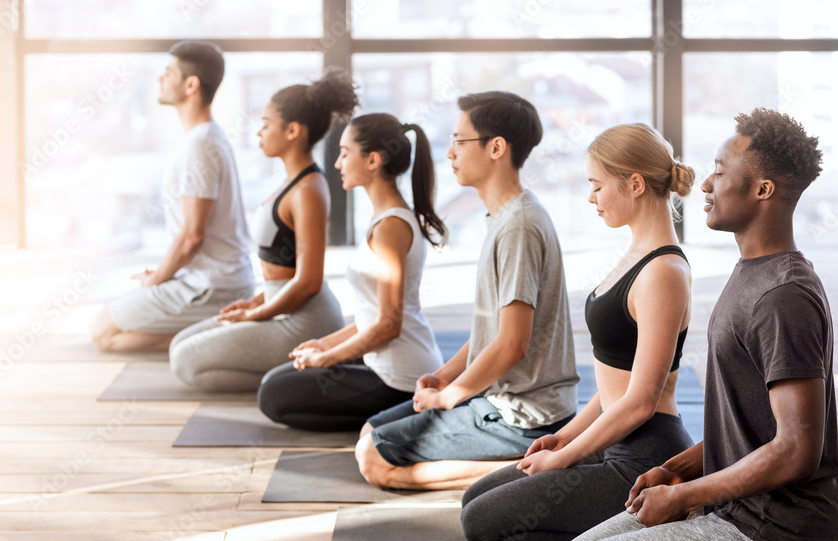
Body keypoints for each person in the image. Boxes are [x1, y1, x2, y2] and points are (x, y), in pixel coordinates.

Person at [551, 108, 838, 541]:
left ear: (762, 189)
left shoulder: (783, 297)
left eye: (719, 170)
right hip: (732, 508)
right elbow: (750, 425)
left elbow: (797, 447)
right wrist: (679, 470)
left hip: (779, 531)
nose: (704, 183)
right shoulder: (751, 273)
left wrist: (684, 498)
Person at [459, 123, 696, 541]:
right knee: (473, 500)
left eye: (597, 186)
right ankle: (615, 529)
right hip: (608, 437)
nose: (591, 198)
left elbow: (641, 400)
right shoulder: (634, 253)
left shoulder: (664, 273)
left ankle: (644, 531)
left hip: (642, 460)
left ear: (635, 184)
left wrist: (564, 460)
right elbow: (614, 386)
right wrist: (566, 437)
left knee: (482, 525)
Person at [353, 91, 579, 491]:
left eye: (460, 141)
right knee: (370, 430)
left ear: (496, 148)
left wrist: (452, 397)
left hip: (525, 416)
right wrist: (442, 378)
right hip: (496, 399)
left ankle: (531, 466)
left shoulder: (519, 226)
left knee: (373, 458)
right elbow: (492, 332)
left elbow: (512, 344)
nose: (450, 153)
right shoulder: (503, 218)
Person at [167, 72, 358, 391]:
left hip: (306, 320)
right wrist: (254, 303)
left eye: (267, 124)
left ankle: (294, 379)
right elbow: (281, 275)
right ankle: (286, 375)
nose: (260, 131)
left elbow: (308, 281)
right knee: (180, 345)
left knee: (186, 362)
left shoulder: (310, 188)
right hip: (280, 306)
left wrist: (257, 316)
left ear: (293, 130)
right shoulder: (291, 182)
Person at [256, 113, 447, 430]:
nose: (337, 164)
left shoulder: (391, 227)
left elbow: (388, 325)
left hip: (397, 376)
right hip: (385, 362)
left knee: (272, 396)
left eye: (345, 153)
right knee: (278, 378)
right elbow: (371, 318)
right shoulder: (386, 220)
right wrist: (324, 344)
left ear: (373, 160)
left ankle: (399, 418)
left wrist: (327, 359)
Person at [91, 41, 254, 352]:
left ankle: (211, 335)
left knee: (102, 332)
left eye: (168, 73)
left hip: (213, 288)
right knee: (108, 327)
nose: (160, 79)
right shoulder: (207, 137)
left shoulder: (199, 145)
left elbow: (193, 235)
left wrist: (158, 281)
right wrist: (166, 271)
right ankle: (210, 331)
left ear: (191, 84)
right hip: (211, 281)